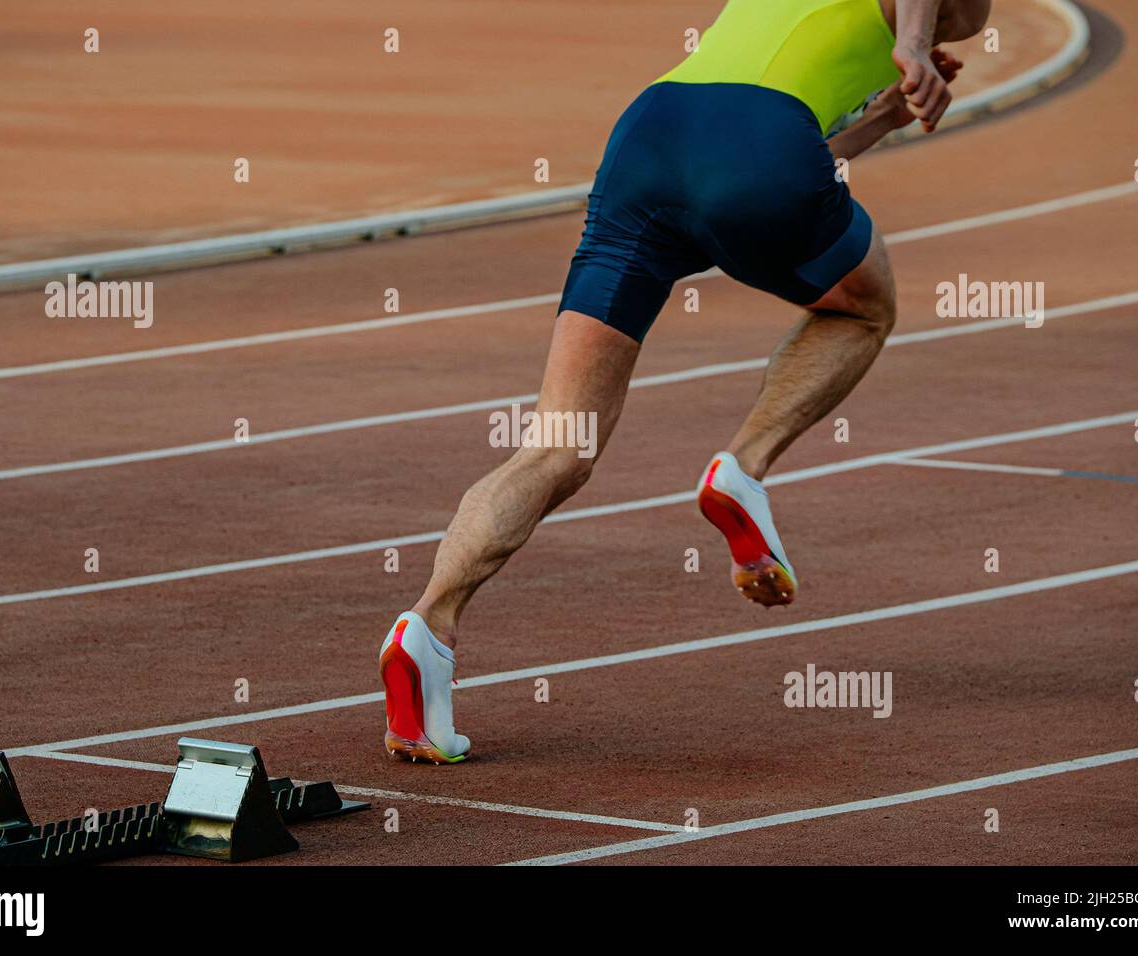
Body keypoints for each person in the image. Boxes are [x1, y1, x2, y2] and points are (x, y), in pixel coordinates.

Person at [380, 0, 992, 764]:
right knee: (864, 309)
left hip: (649, 136)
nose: (948, 33)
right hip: (753, 147)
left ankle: (427, 628)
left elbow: (777, 153)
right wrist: (911, 44)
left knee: (556, 448)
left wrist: (877, 122)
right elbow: (762, 161)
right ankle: (745, 467)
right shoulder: (909, 25)